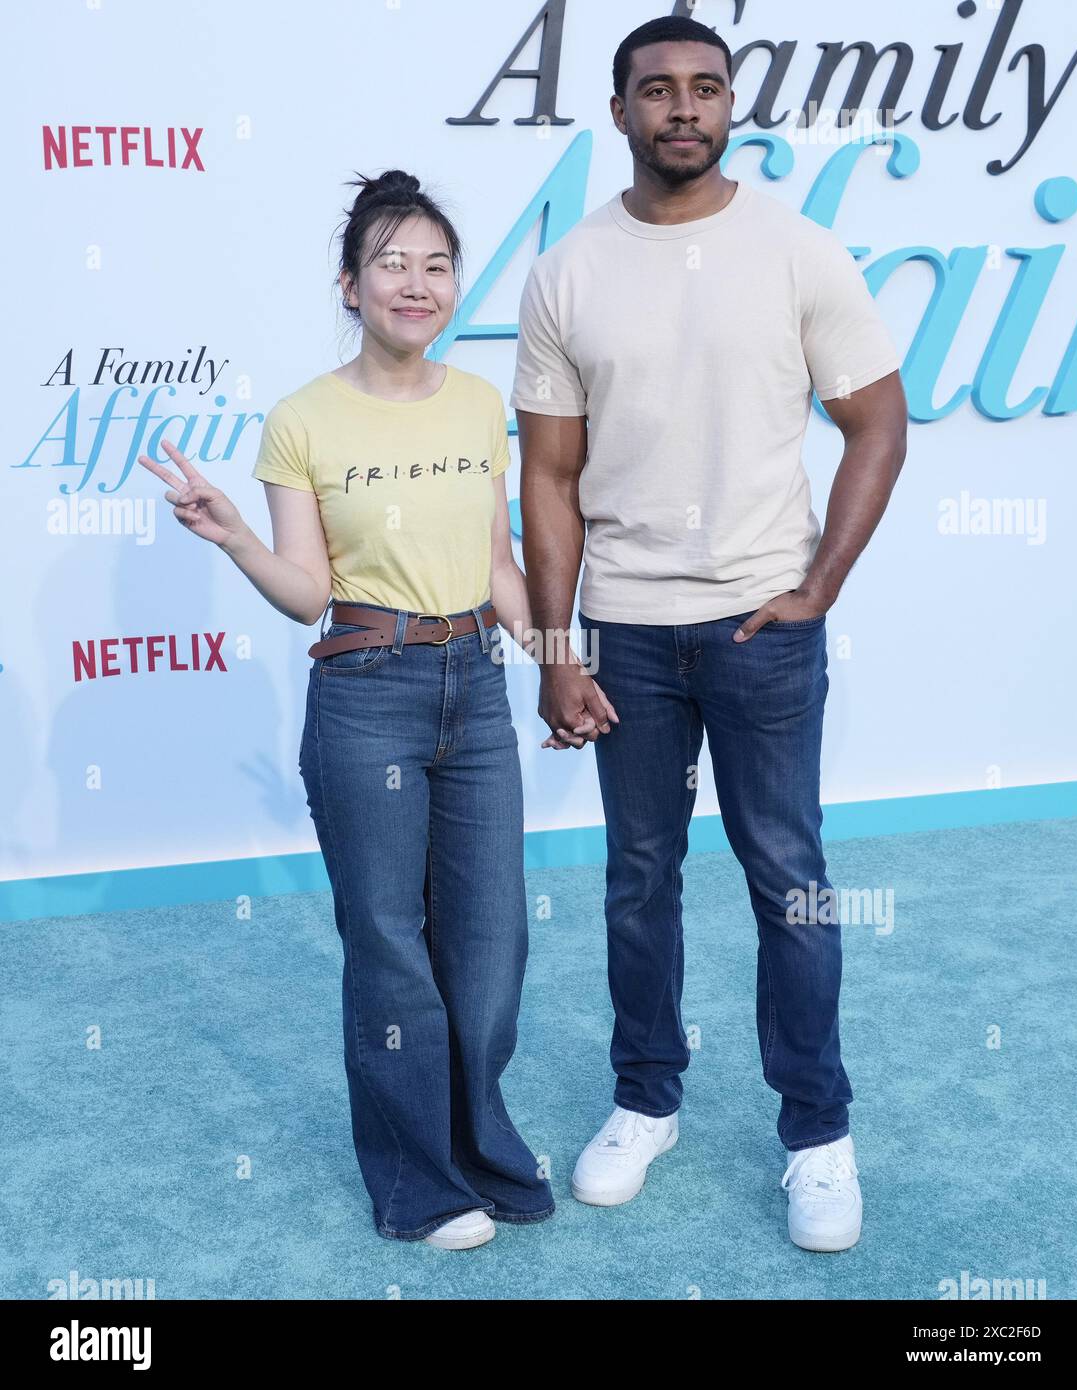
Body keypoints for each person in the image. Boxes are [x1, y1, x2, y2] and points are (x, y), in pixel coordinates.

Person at [139, 169, 611, 1249]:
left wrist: (559, 661)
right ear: (350, 286)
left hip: (473, 689)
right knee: (390, 944)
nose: (416, 283)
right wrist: (236, 537)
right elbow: (308, 590)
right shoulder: (301, 419)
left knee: (489, 945)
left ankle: (480, 1150)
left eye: (436, 265)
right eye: (391, 264)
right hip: (364, 694)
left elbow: (498, 564)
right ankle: (418, 1185)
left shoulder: (479, 403)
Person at [512, 16, 907, 1253]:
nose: (682, 107)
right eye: (656, 90)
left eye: (704, 88)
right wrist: (556, 649)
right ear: (618, 112)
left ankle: (816, 1135)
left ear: (729, 105)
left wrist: (819, 583)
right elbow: (547, 478)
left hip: (759, 628)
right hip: (625, 631)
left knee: (790, 881)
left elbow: (878, 421)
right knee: (637, 878)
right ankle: (645, 1100)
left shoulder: (794, 250)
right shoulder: (566, 270)